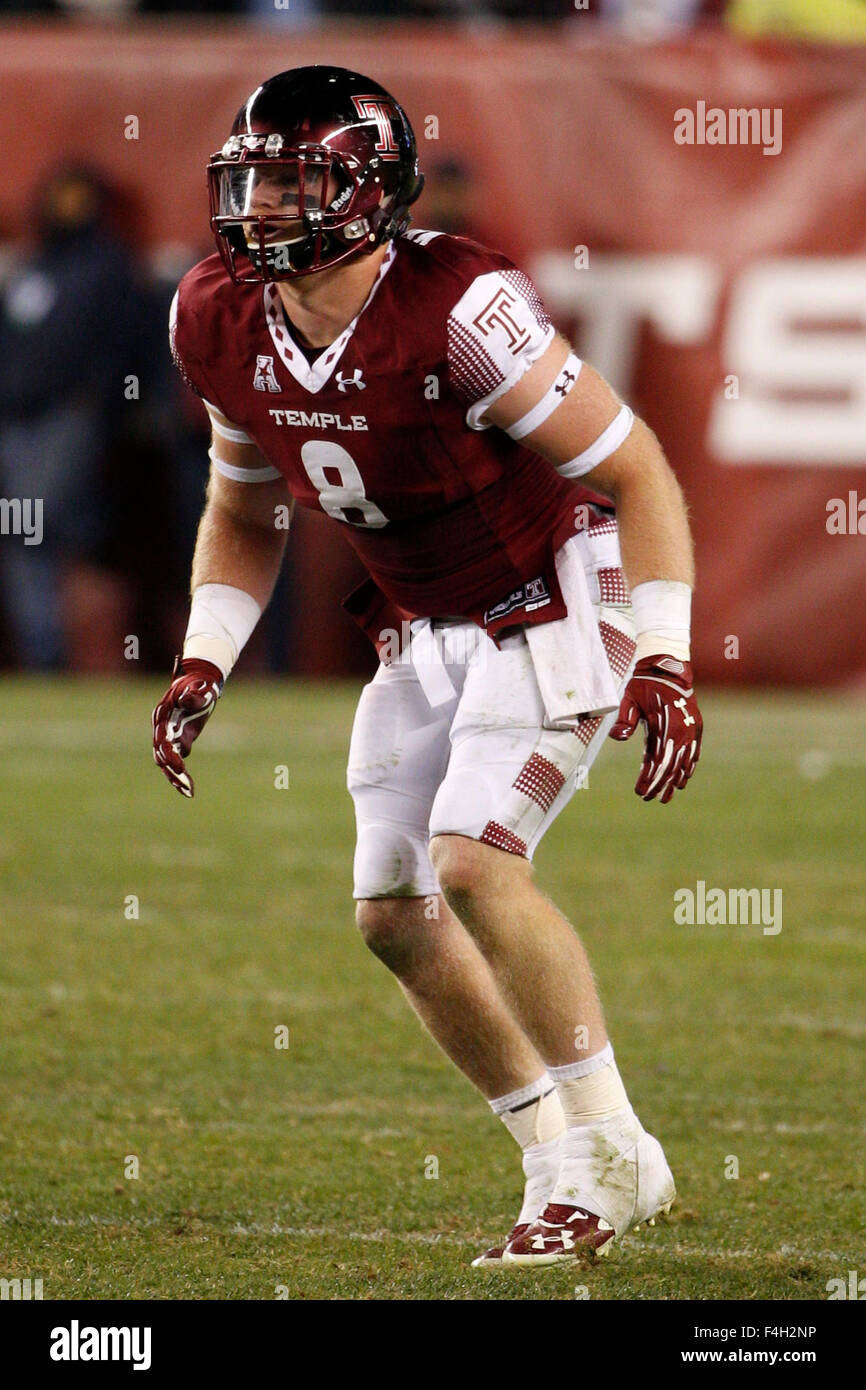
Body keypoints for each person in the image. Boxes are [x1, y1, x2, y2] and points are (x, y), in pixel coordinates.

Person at [153, 66, 702, 1266]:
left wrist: (662, 652)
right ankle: (555, 1156)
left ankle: (609, 1154)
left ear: (366, 188)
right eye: (250, 179)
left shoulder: (457, 305)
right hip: (426, 620)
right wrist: (204, 658)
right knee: (391, 916)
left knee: (471, 861)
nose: (262, 206)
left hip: (553, 591)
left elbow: (637, 470)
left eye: (295, 180)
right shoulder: (217, 316)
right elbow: (245, 513)